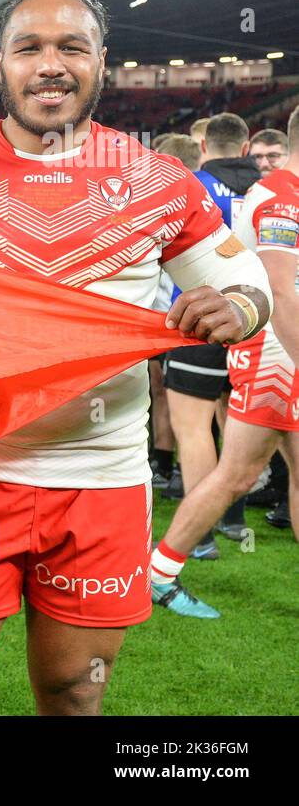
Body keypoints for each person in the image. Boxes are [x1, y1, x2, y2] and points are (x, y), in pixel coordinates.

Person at [0, 0, 271, 715]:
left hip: (103, 482)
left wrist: (238, 306)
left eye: (72, 46)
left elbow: (246, 279)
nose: (50, 64)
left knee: (75, 696)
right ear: (0, 65)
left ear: (102, 60)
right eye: (28, 47)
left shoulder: (159, 181)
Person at [151, 105, 299, 616]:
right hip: (274, 355)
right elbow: (279, 286)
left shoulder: (283, 192)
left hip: (275, 352)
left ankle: (160, 569)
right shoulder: (280, 196)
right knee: (235, 473)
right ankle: (160, 569)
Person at [159, 117, 260, 572]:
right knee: (230, 418)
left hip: (200, 320)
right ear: (246, 148)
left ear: (202, 144)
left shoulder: (191, 185)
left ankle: (197, 537)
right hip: (254, 321)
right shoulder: (265, 188)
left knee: (194, 427)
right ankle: (235, 520)